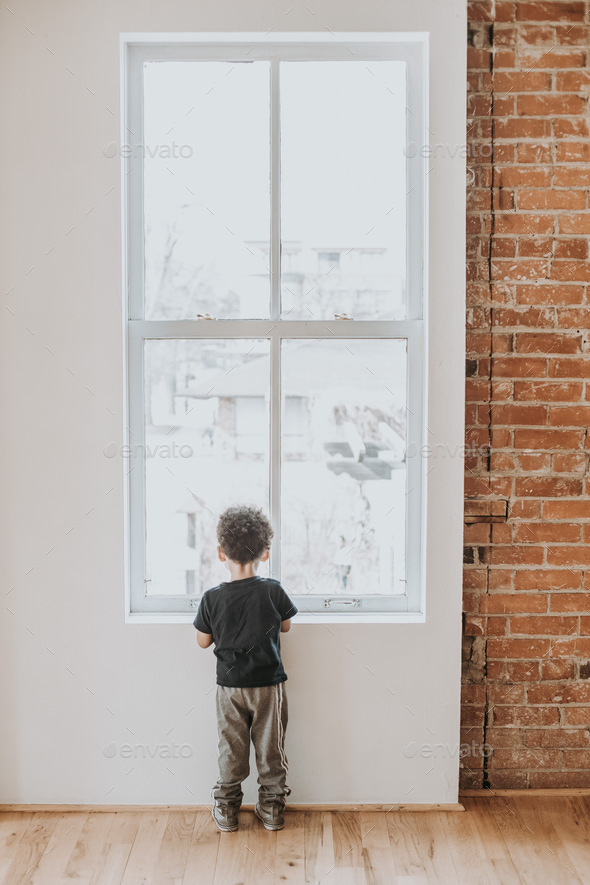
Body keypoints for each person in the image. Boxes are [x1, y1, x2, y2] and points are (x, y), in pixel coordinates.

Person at [194, 505, 297, 833]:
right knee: (271, 748)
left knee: (231, 747)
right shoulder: (273, 590)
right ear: (265, 553)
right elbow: (286, 627)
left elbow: (202, 641)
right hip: (268, 686)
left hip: (230, 687)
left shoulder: (212, 598)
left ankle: (226, 807)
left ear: (221, 552)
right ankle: (271, 807)